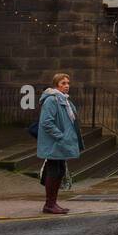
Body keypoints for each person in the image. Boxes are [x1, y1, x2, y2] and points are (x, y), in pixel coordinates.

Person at [37, 72, 84, 215]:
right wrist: (61, 137)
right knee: (54, 172)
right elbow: (46, 122)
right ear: (56, 84)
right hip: (55, 144)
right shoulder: (52, 100)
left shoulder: (65, 100)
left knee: (59, 172)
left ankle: (53, 203)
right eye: (63, 83)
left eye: (68, 83)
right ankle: (49, 204)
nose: (67, 86)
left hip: (62, 144)